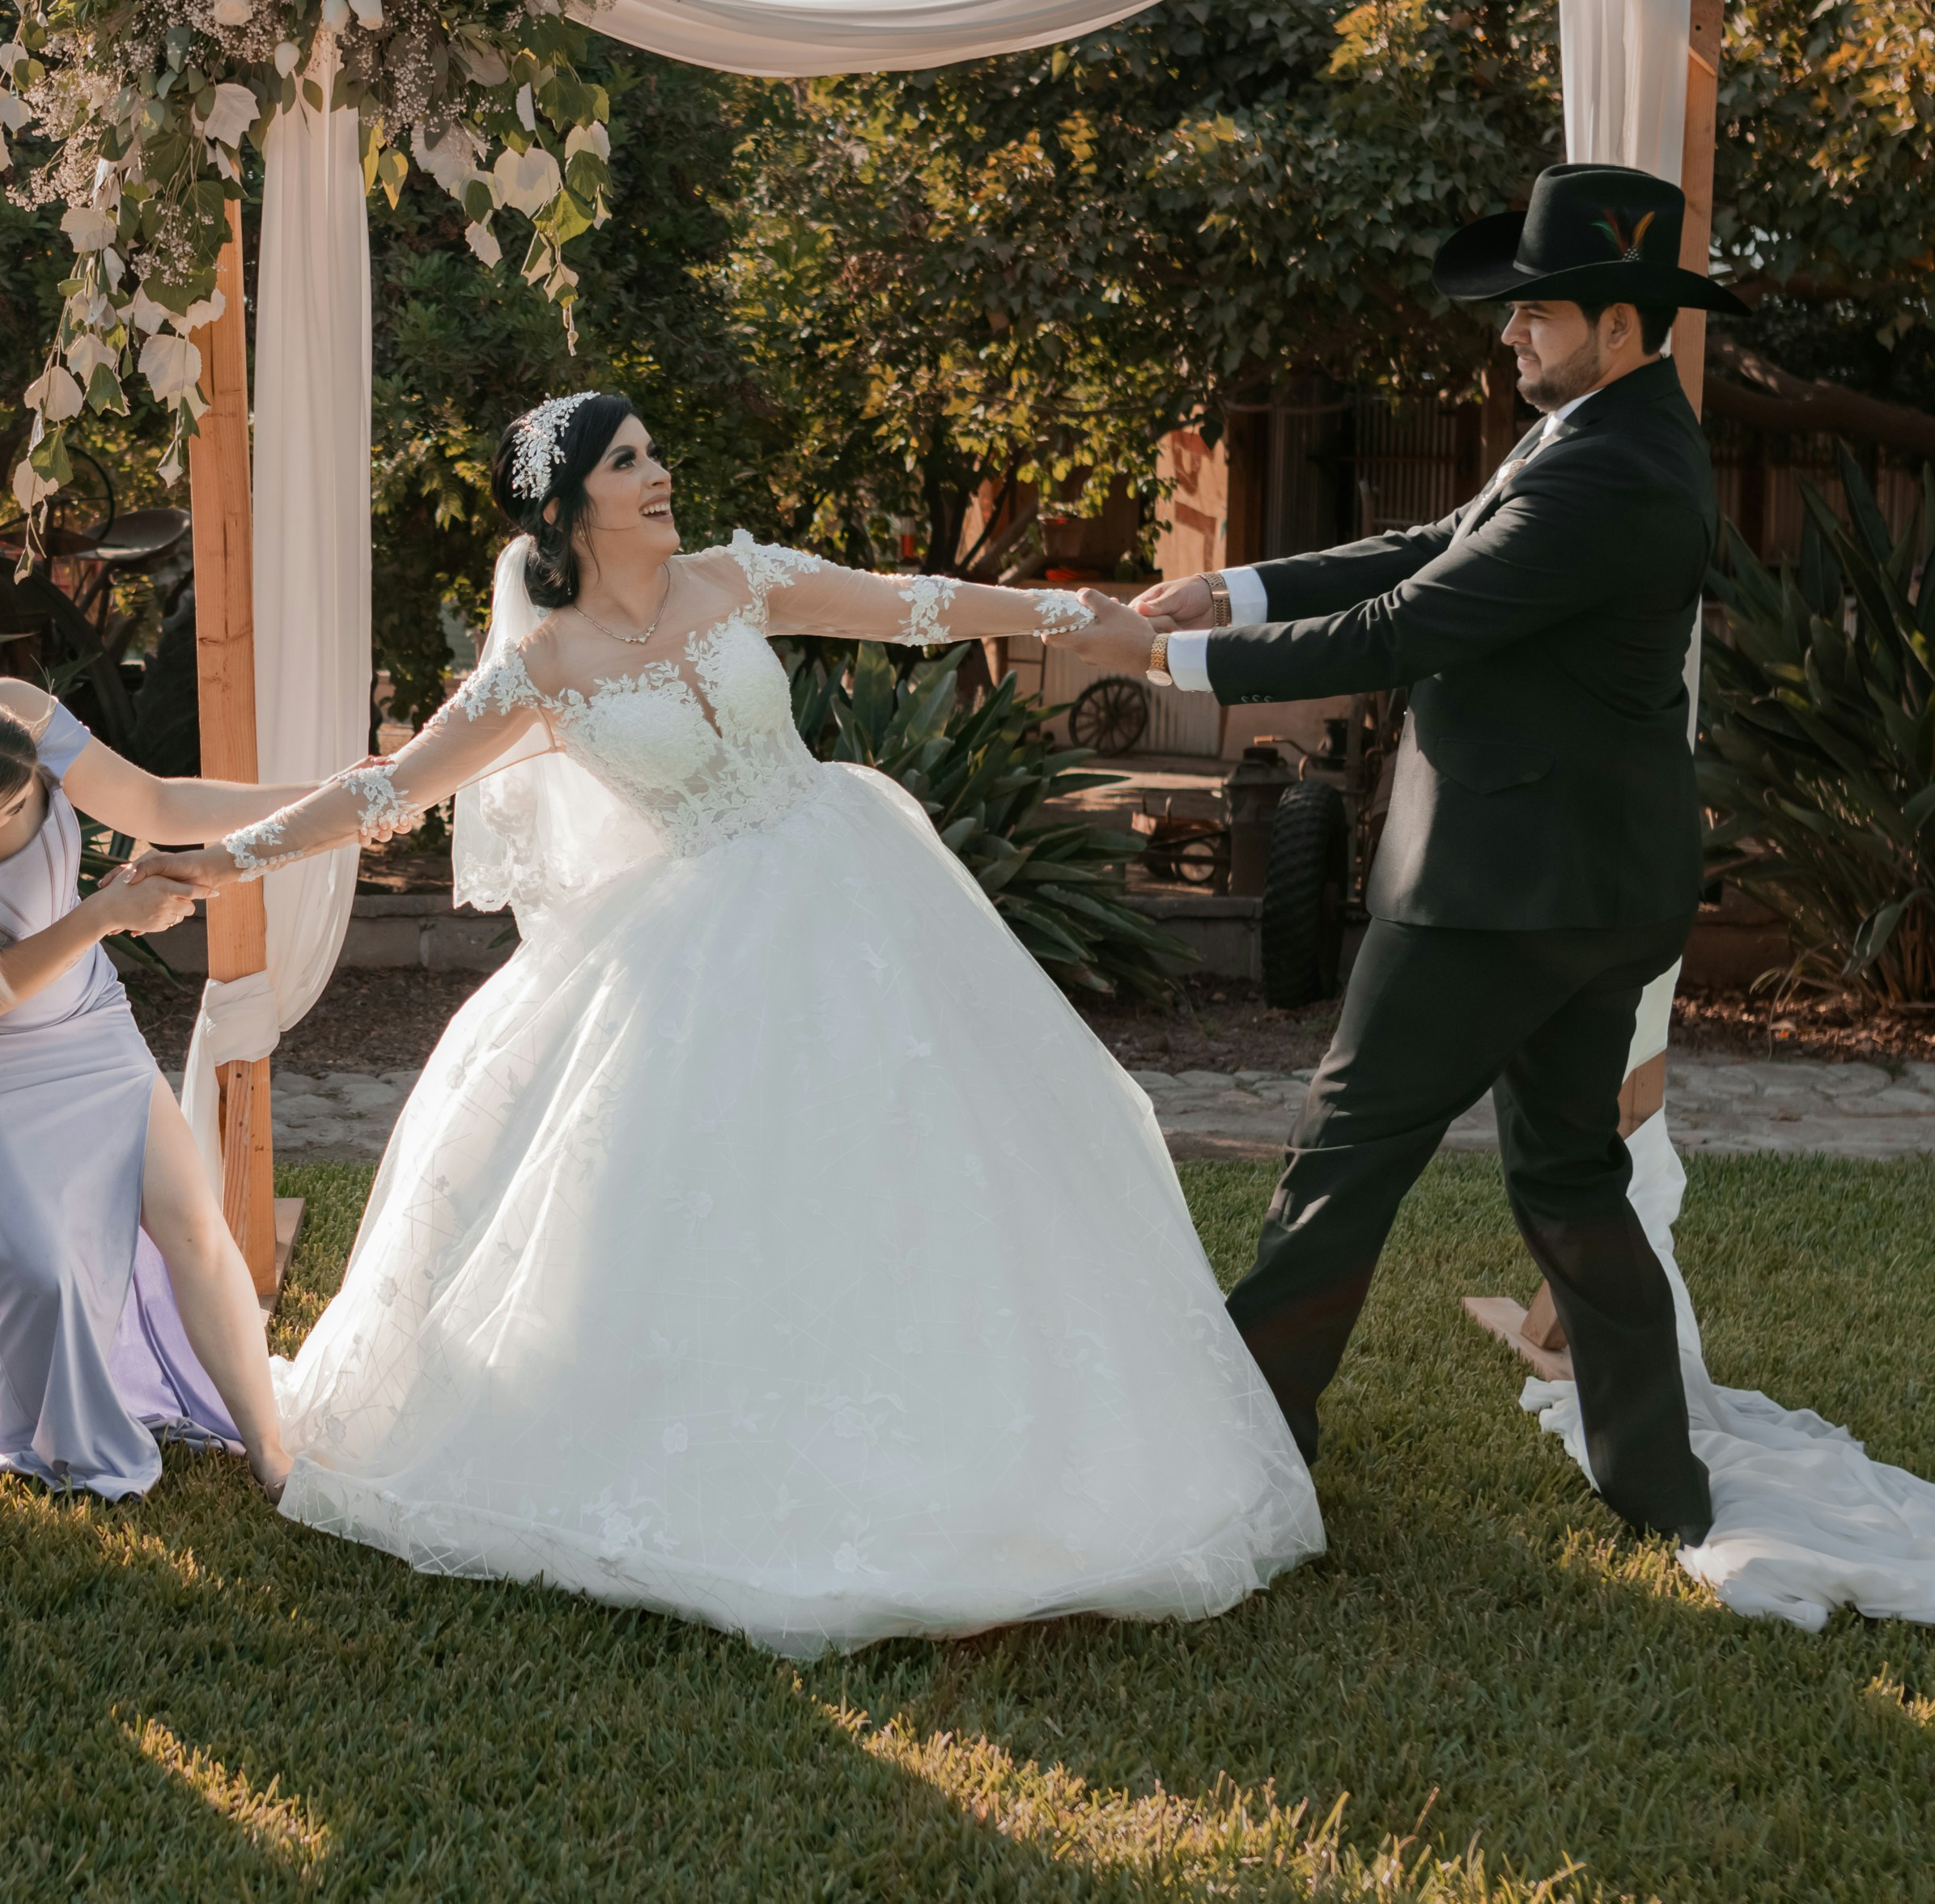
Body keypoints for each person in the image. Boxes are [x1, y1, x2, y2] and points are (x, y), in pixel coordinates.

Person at [132, 393, 1323, 1657]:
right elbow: (386, 789)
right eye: (626, 460)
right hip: (697, 948)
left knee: (944, 1161)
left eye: (654, 450)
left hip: (858, 891)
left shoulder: (736, 578)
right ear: (568, 505)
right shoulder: (542, 670)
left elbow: (911, 600)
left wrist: (1072, 614)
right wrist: (224, 861)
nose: (657, 473)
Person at [1081, 161, 1733, 1545]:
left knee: (1345, 1148)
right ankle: (1658, 1481)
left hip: (1498, 890)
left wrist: (1159, 651)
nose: (1507, 336)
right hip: (1590, 885)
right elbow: (1424, 545)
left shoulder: (1609, 473)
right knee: (1566, 1170)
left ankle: (1241, 1458)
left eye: (1535, 315)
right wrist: (1238, 581)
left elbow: (1403, 630)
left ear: (1619, 324)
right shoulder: (1605, 429)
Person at [0, 682, 304, 1499]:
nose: (25, 803)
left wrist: (324, 794)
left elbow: (158, 801)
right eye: (2, 806)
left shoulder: (9, 717)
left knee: (191, 1225)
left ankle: (267, 1446)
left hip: (89, 1027)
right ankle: (58, 1430)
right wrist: (103, 914)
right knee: (41, 1270)